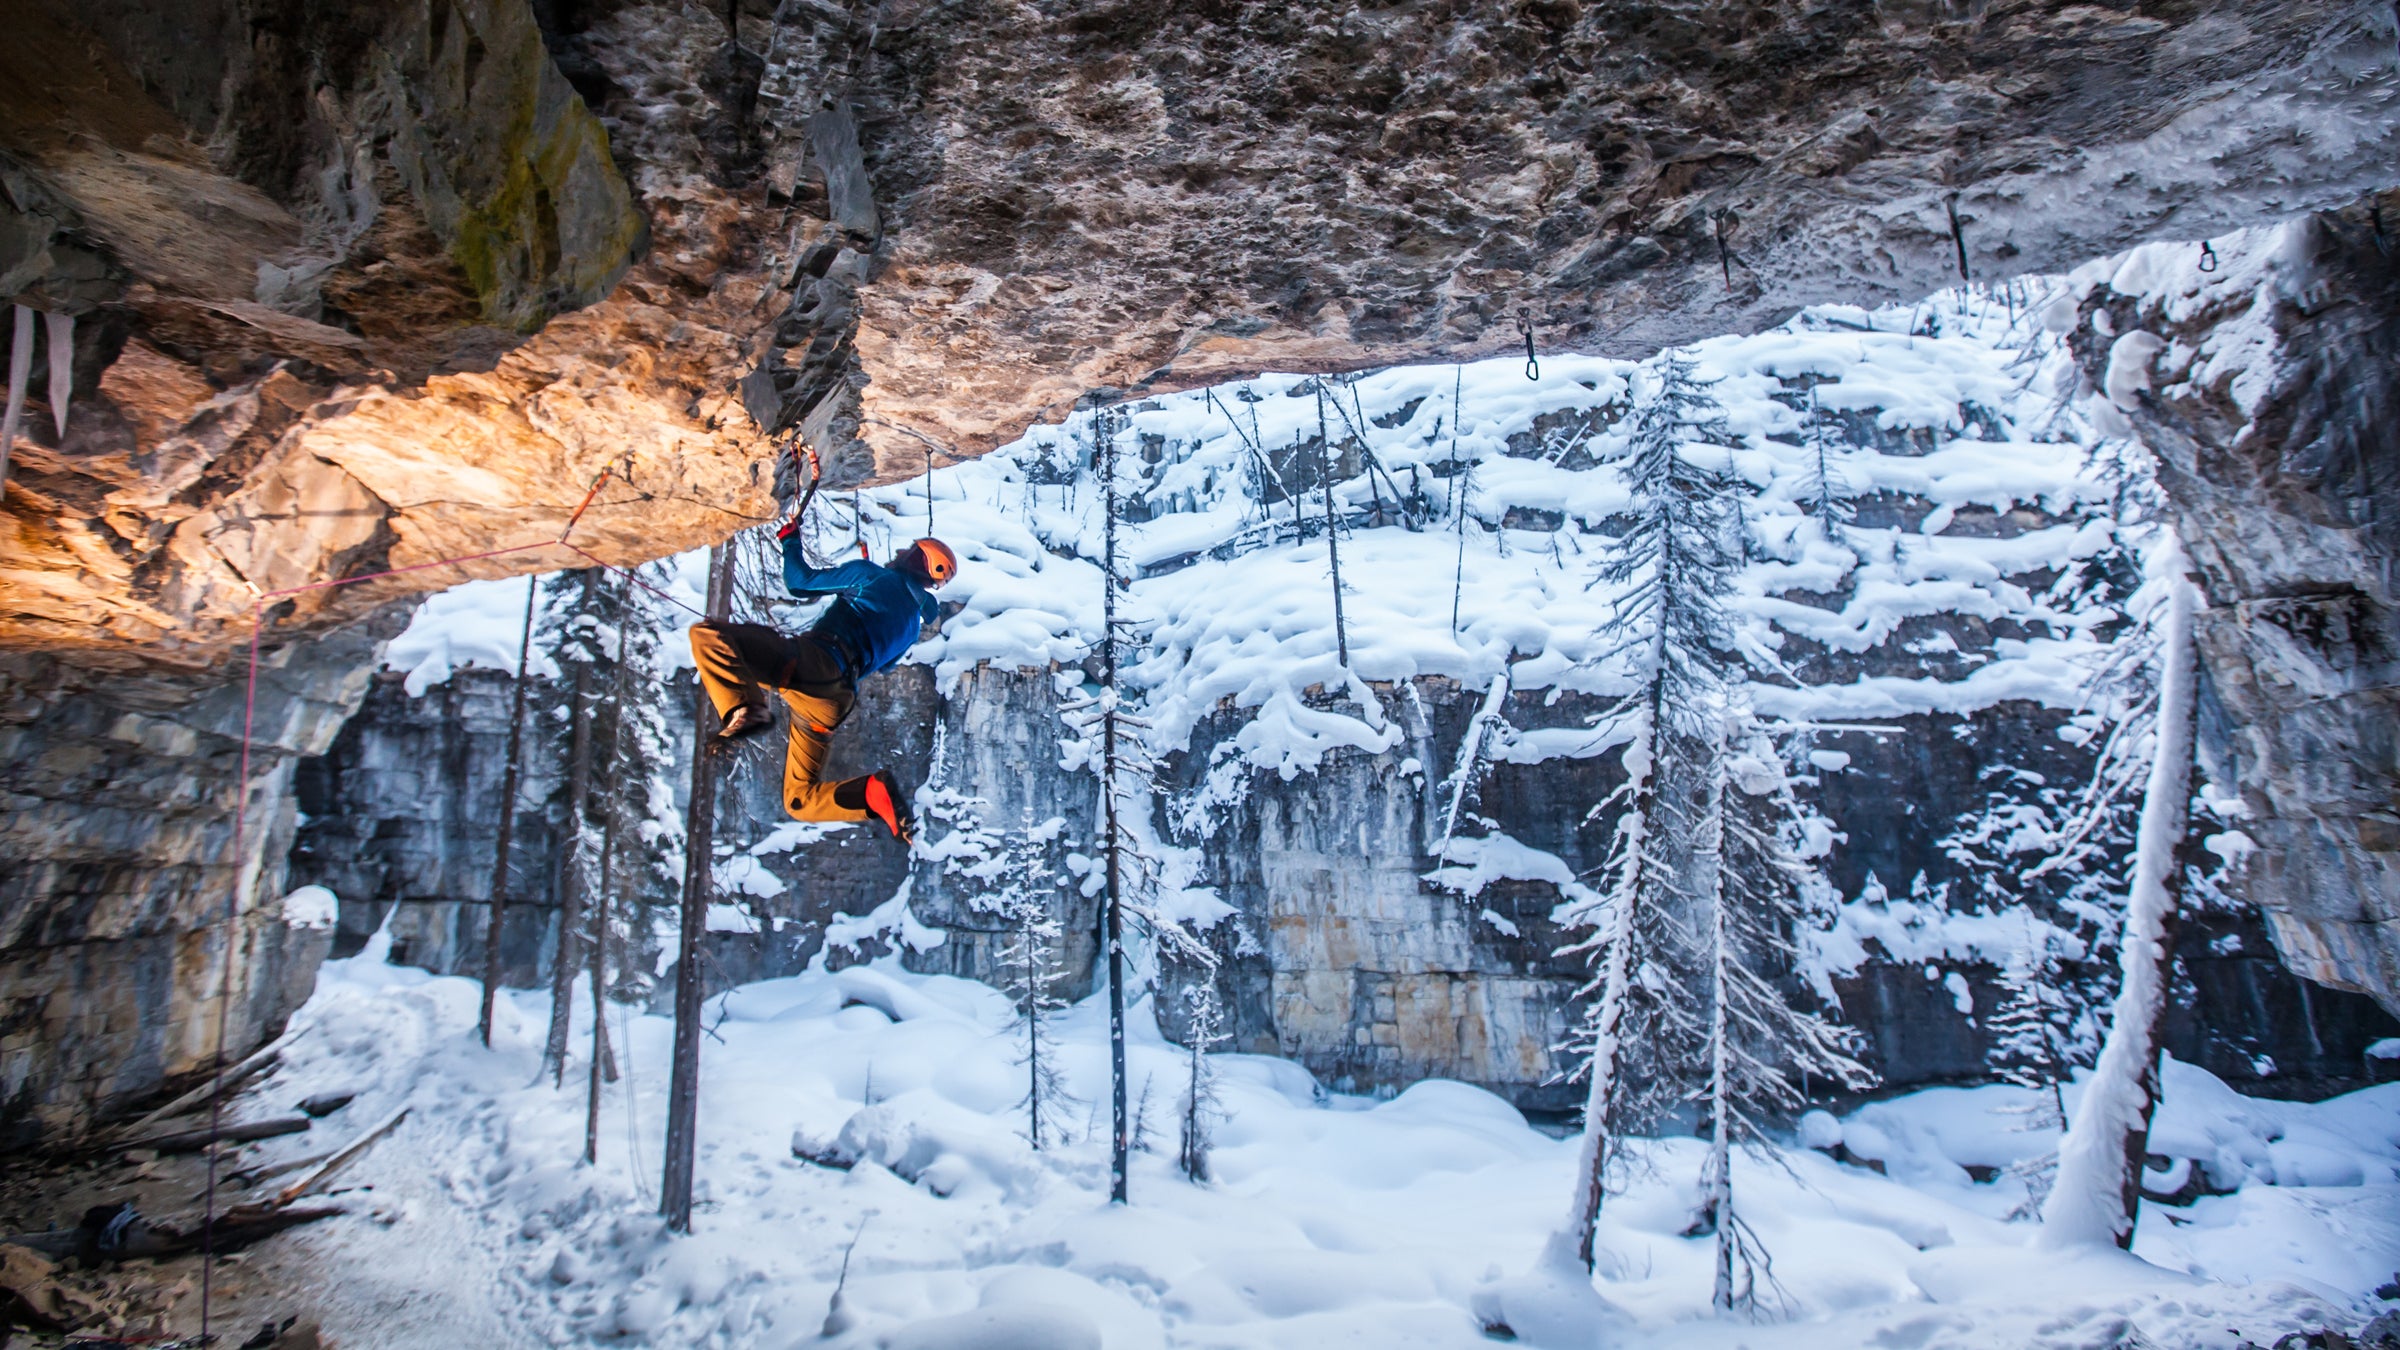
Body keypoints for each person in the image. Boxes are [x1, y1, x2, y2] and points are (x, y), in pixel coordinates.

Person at [687, 530, 958, 843]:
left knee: (708, 637)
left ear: (914, 559)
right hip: (833, 701)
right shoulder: (912, 626)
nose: (900, 552)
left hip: (815, 663)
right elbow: (885, 666)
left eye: (909, 550)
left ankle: (744, 710)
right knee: (799, 800)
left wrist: (790, 540)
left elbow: (800, 582)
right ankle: (870, 794)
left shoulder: (871, 576)